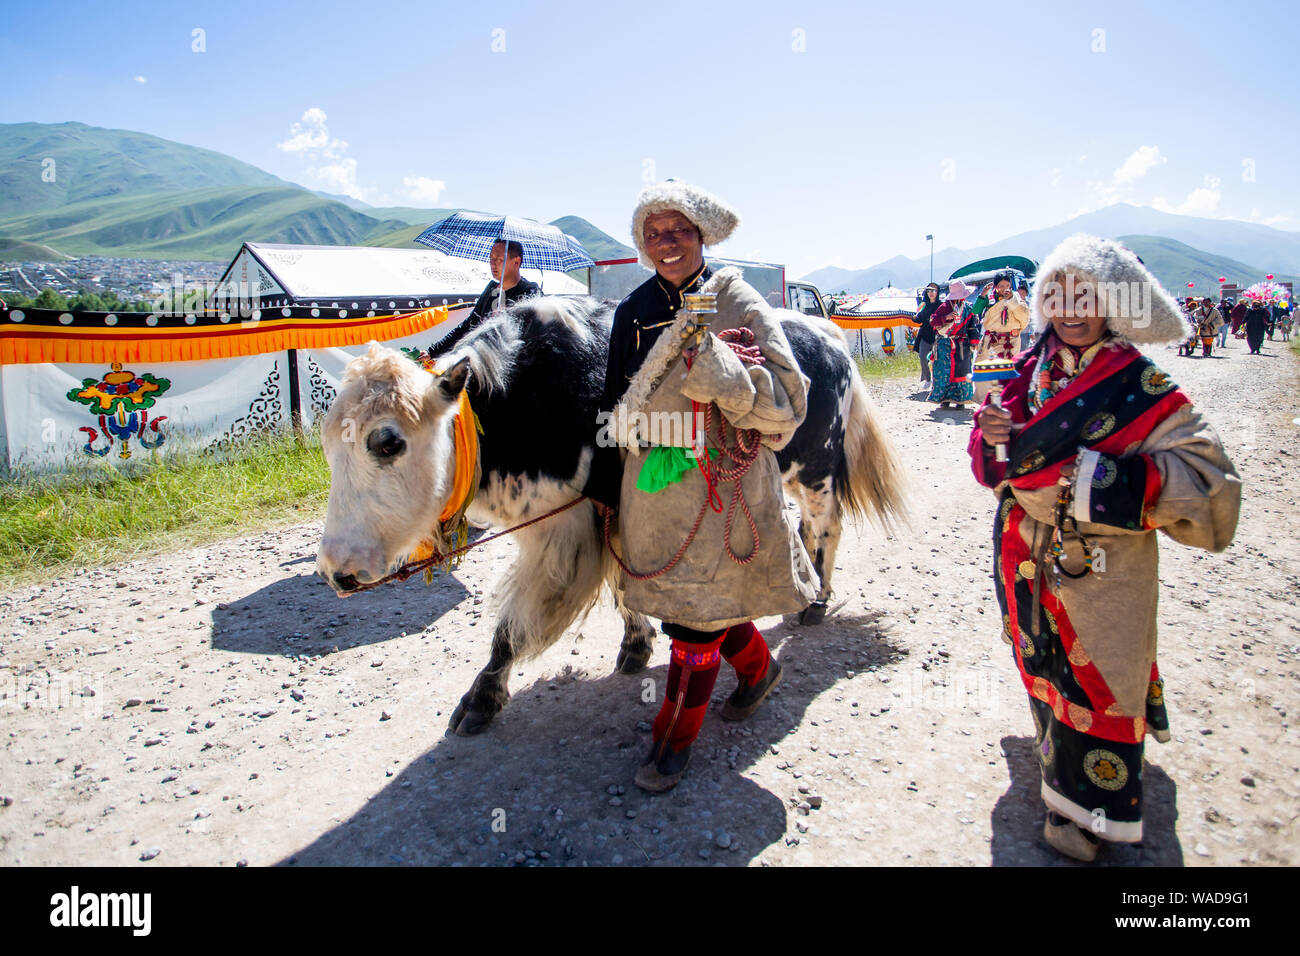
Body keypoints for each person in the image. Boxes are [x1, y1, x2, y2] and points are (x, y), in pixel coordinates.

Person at [970, 235, 1241, 862]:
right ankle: (1056, 773)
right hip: (1027, 553)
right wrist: (992, 438)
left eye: (1084, 296)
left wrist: (1089, 481)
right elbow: (996, 465)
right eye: (1056, 295)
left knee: (1101, 677)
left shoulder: (1143, 385)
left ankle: (1089, 816)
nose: (1069, 310)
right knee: (1045, 664)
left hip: (1104, 562)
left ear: (1111, 304)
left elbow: (1211, 483)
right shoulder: (1032, 368)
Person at [582, 180, 817, 793]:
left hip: (724, 486)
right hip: (652, 490)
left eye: (678, 231)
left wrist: (727, 377)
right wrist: (605, 487)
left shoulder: (736, 300)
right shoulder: (633, 310)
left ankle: (675, 737)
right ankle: (760, 670)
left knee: (695, 619)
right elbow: (614, 402)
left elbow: (790, 403)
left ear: (701, 234)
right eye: (653, 234)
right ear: (642, 244)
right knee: (688, 606)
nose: (667, 243)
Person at [428, 239, 540, 357]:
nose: (493, 264)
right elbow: (469, 326)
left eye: (499, 259)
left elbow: (526, 336)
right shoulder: (492, 290)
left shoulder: (529, 293)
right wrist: (432, 352)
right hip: (484, 359)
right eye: (491, 258)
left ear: (516, 262)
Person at [973, 271, 1030, 402]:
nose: (1004, 288)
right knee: (982, 367)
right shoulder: (989, 297)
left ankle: (1007, 399)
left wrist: (1011, 301)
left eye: (1007, 285)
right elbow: (975, 311)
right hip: (991, 339)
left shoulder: (1016, 298)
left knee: (1008, 370)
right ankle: (984, 400)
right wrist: (982, 295)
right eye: (1001, 285)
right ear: (995, 286)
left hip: (1010, 340)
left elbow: (1024, 317)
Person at [927, 279, 979, 408]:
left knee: (962, 372)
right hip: (945, 344)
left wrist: (973, 341)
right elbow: (933, 321)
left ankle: (961, 400)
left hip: (962, 345)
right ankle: (944, 399)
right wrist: (946, 317)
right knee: (944, 371)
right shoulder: (944, 307)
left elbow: (972, 326)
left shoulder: (968, 308)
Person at [911, 282, 941, 386]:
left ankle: (936, 380)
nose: (931, 293)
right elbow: (919, 318)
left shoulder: (941, 305)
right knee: (922, 356)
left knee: (936, 359)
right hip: (925, 335)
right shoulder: (923, 304)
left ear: (937, 292)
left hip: (937, 335)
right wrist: (914, 318)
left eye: (933, 290)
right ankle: (927, 379)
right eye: (929, 290)